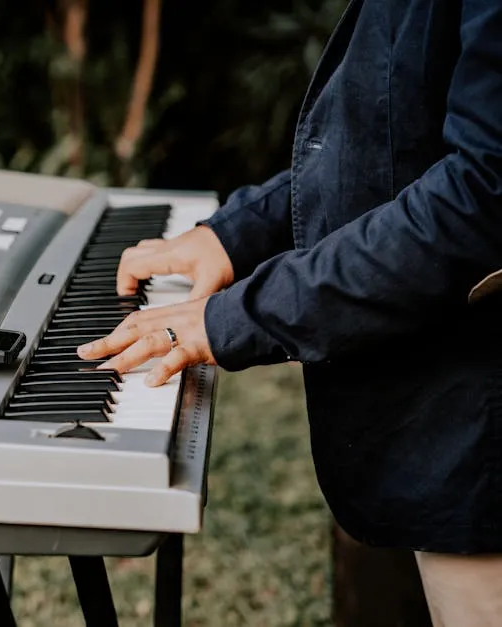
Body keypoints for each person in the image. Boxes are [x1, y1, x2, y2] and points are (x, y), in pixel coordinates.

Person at [77, 1, 502, 625]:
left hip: (476, 451)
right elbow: (387, 148)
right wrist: (234, 234)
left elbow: (480, 198)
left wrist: (233, 317)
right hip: (415, 427)